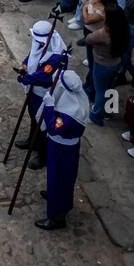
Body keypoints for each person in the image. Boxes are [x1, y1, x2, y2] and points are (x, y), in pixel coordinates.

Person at [35, 70, 89, 231]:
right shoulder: (77, 98)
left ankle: (56, 217)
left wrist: (49, 106)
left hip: (62, 149)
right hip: (60, 146)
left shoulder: (70, 113)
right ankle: (54, 196)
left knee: (60, 179)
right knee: (56, 176)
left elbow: (53, 127)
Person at [15, 19, 68, 170]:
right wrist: (25, 64)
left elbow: (44, 76)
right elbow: (32, 54)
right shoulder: (41, 43)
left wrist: (25, 79)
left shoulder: (57, 55)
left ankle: (42, 155)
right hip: (34, 91)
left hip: (46, 94)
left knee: (44, 123)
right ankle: (31, 141)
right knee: (33, 117)